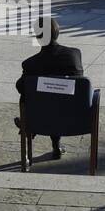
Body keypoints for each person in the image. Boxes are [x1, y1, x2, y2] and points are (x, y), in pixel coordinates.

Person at [13, 17, 84, 160]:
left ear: (38, 38)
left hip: (41, 118)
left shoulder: (30, 64)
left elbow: (20, 87)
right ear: (57, 34)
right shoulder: (74, 55)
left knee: (35, 96)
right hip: (75, 117)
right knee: (58, 98)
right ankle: (55, 144)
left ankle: (28, 124)